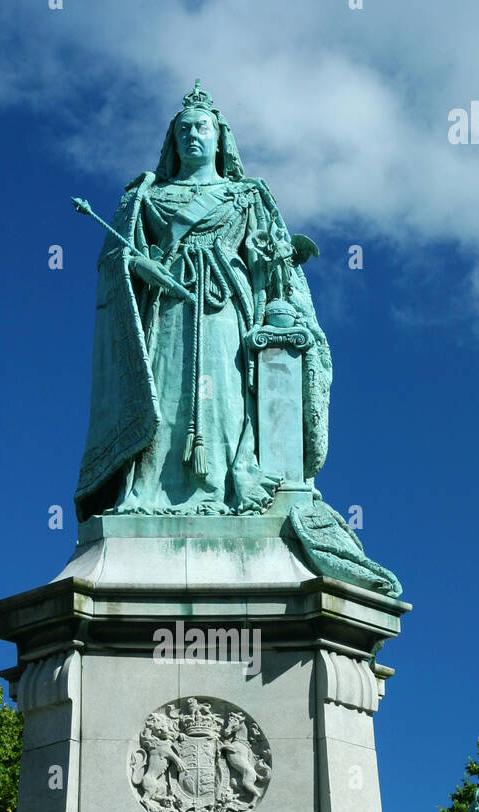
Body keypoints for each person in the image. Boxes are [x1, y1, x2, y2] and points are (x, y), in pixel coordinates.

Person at [74, 81, 331, 520]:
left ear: (219, 137)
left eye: (202, 128)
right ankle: (148, 492)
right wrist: (138, 267)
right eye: (184, 130)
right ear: (173, 141)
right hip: (166, 308)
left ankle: (228, 488)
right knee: (161, 392)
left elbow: (270, 269)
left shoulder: (247, 195)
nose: (193, 135)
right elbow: (112, 263)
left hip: (225, 310)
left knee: (227, 395)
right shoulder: (146, 197)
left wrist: (278, 282)